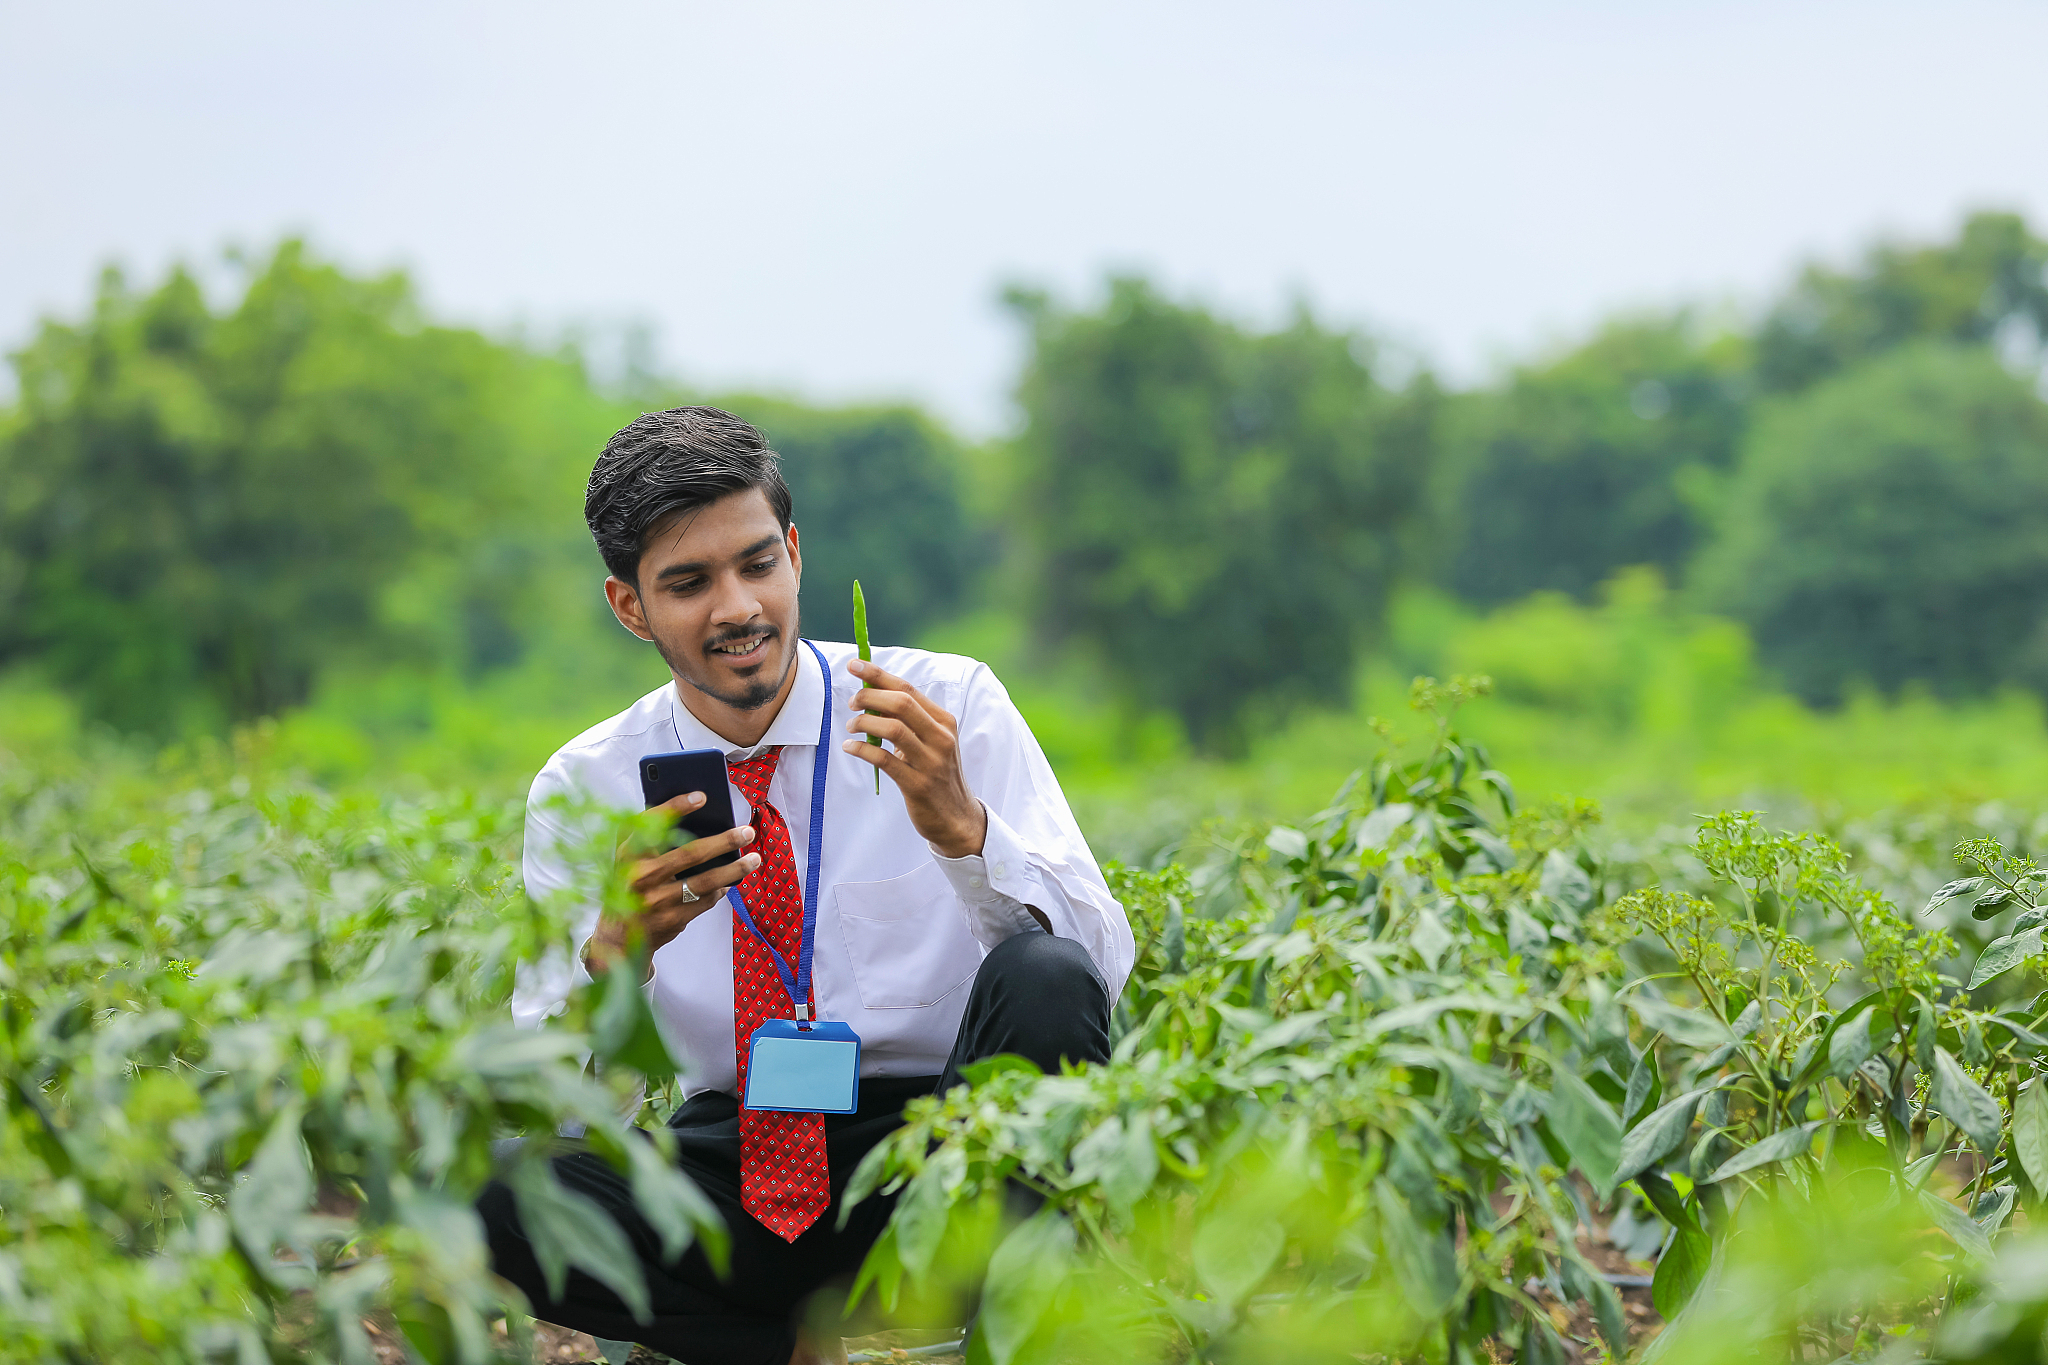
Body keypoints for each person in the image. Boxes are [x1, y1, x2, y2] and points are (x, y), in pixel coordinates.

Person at [476, 406, 1135, 1365]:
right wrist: (614, 959)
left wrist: (966, 833)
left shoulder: (944, 707)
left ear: (793, 553)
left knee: (1043, 975)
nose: (736, 607)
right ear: (631, 607)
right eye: (688, 583)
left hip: (943, 1148)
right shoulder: (588, 785)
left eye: (755, 564)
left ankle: (998, 1335)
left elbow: (1095, 979)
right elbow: (553, 1113)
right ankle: (786, 1352)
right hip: (731, 1162)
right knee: (504, 1180)